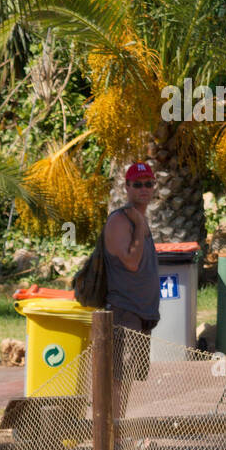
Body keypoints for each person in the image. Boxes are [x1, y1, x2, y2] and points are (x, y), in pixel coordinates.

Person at [102, 162, 161, 430]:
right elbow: (131, 262)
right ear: (126, 187)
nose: (144, 189)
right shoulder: (120, 220)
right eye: (137, 184)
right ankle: (113, 435)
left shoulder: (139, 219)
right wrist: (138, 225)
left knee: (128, 378)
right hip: (124, 311)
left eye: (148, 183)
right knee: (118, 377)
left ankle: (118, 430)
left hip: (141, 313)